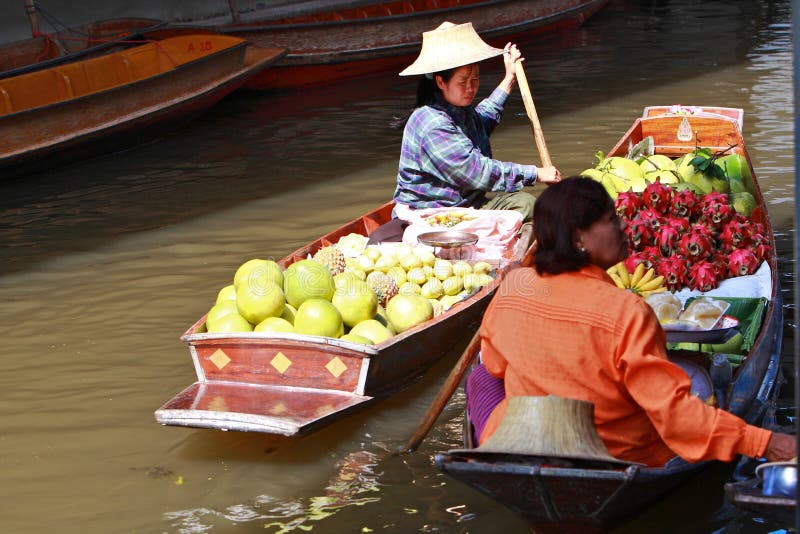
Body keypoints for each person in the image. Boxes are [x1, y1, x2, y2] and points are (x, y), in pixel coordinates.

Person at [474, 176, 795, 467]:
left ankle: (495, 449)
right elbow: (675, 415)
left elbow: (495, 364)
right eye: (611, 220)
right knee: (706, 384)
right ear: (579, 238)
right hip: (614, 453)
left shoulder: (515, 285)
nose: (623, 226)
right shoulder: (626, 310)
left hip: (529, 439)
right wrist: (764, 443)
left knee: (479, 377)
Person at [393, 21, 561, 224]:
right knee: (527, 205)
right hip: (434, 213)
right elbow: (476, 171)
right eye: (463, 82)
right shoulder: (431, 122)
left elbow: (482, 120)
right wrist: (536, 174)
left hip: (464, 205)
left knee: (526, 205)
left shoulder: (458, 108)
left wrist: (509, 78)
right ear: (440, 82)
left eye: (475, 80)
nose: (470, 88)